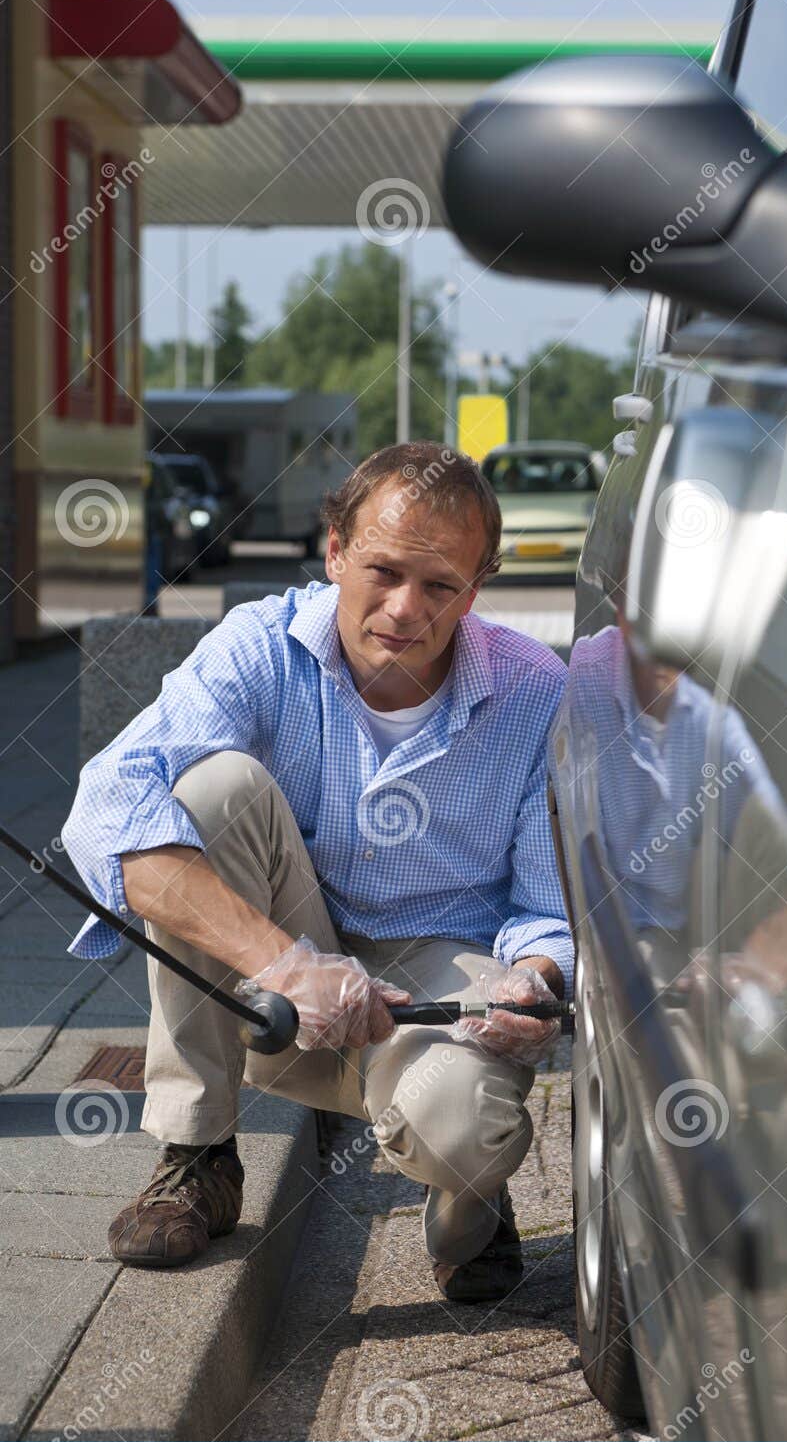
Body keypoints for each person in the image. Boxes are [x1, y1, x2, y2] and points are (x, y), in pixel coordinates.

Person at [61, 442, 572, 1304]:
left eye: (441, 586)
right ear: (334, 549)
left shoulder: (536, 691)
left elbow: (543, 905)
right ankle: (197, 1152)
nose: (405, 609)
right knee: (208, 789)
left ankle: (468, 1189)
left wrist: (538, 979)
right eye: (381, 570)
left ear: (476, 589)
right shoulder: (259, 646)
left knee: (466, 1129)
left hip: (438, 974)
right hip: (278, 978)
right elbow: (106, 809)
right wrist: (288, 964)